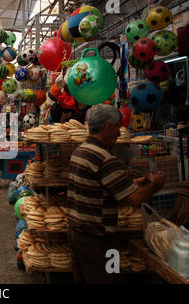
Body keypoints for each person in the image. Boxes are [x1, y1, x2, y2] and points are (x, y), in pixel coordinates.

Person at [66, 104, 165, 284]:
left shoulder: (80, 151)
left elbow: (99, 185)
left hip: (77, 234)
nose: (119, 134)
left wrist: (133, 182)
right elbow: (135, 199)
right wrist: (155, 185)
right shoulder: (104, 158)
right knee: (108, 279)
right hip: (98, 240)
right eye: (118, 128)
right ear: (107, 127)